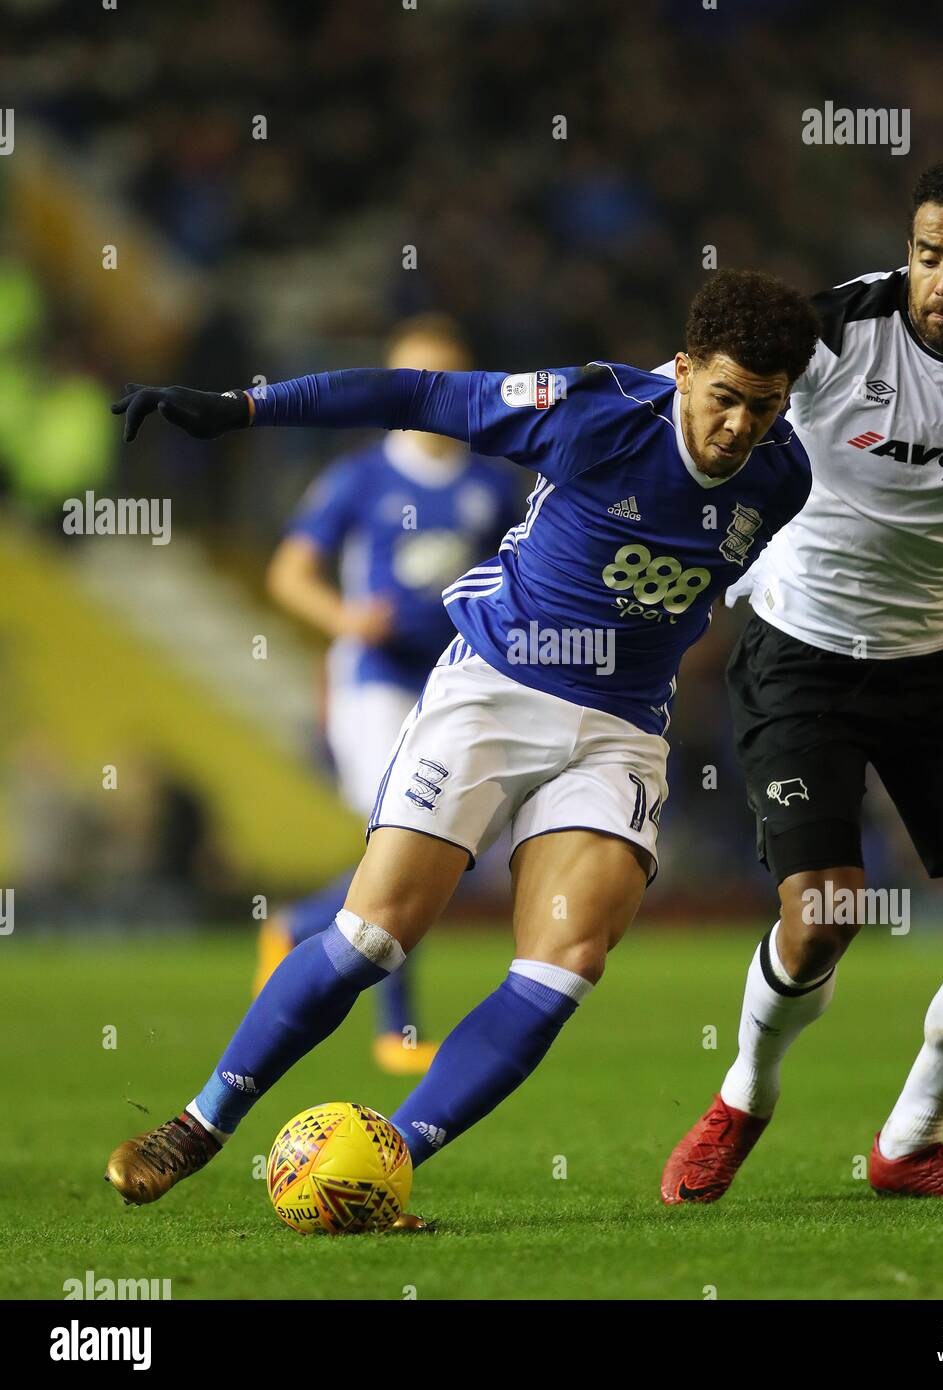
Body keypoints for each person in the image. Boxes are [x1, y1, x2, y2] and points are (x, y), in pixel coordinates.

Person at [103, 269, 819, 1208]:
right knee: (371, 935)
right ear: (683, 371)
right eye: (724, 397)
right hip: (495, 687)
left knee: (566, 966)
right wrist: (241, 408)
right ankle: (196, 1126)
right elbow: (419, 396)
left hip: (620, 729)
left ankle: (375, 1170)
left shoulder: (785, 478)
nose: (738, 428)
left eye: (763, 408)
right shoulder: (594, 410)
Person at [661, 159, 943, 1204]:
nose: (941, 281)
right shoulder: (832, 331)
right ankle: (744, 1096)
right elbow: (692, 391)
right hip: (798, 654)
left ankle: (910, 1141)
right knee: (824, 913)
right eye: (926, 254)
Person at [256, 314, 517, 1075]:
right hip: (371, 682)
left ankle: (299, 923)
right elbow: (288, 574)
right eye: (413, 378)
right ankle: (394, 1031)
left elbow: (519, 573)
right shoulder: (360, 474)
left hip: (453, 684)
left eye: (441, 379)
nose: (426, 394)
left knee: (441, 848)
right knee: (409, 841)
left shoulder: (489, 482)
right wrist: (346, 618)